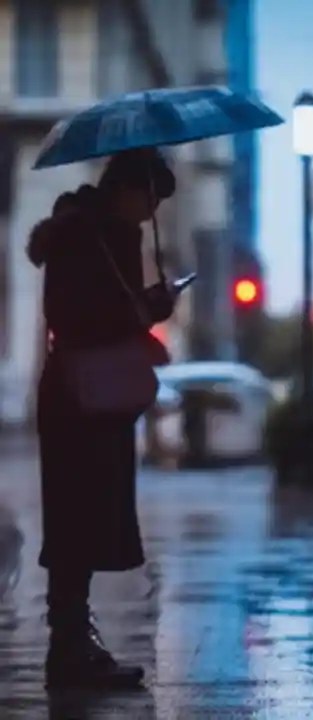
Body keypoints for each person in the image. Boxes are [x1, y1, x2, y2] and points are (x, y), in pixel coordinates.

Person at [26, 147, 178, 689]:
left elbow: (106, 309)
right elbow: (75, 315)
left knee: (85, 522)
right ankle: (68, 649)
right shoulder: (84, 235)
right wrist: (142, 310)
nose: (152, 209)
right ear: (125, 189)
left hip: (94, 397)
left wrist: (145, 303)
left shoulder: (106, 232)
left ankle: (73, 644)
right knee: (74, 521)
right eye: (150, 196)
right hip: (79, 398)